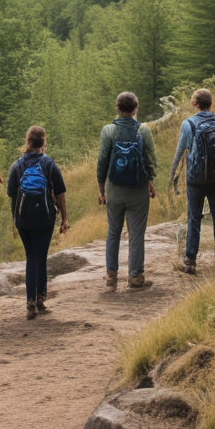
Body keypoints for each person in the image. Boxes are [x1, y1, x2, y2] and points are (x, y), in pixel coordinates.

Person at [97, 91, 158, 291]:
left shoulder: (108, 131)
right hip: (138, 191)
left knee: (113, 232)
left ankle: (111, 277)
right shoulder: (144, 130)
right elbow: (151, 160)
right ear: (135, 108)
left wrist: (101, 187)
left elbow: (102, 161)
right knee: (136, 233)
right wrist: (149, 181)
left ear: (117, 108)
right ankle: (135, 277)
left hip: (114, 189)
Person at [6, 125, 69, 320]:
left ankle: (30, 302)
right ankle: (40, 297)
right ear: (43, 142)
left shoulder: (17, 166)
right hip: (45, 218)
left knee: (31, 257)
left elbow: (11, 194)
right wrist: (65, 218)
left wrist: (15, 220)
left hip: (24, 220)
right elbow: (60, 193)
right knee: (41, 256)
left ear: (28, 142)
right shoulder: (49, 164)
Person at [170, 88, 215, 274]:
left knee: (194, 216)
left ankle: (190, 260)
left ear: (195, 103)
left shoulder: (188, 123)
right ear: (210, 103)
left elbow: (180, 151)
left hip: (196, 177)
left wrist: (172, 174)